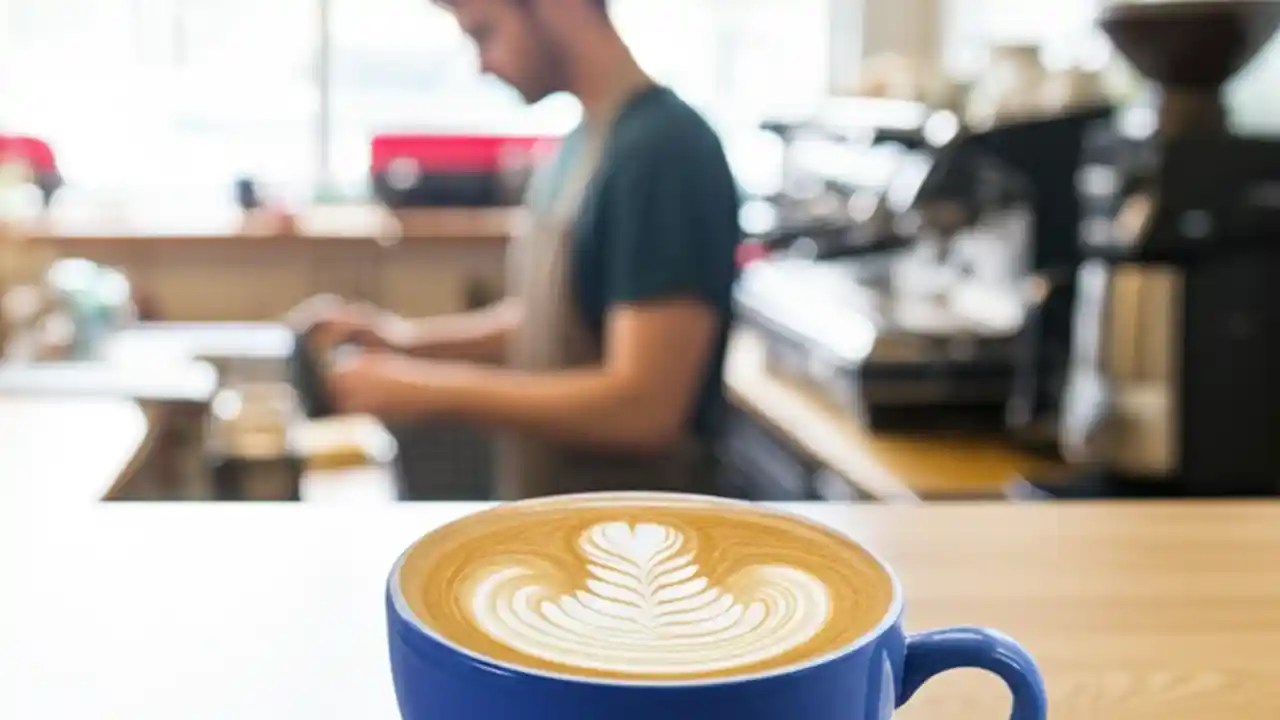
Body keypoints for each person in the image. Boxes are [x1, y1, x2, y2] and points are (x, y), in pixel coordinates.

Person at [308, 0, 740, 499]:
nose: (481, 64)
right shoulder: (582, 142)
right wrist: (405, 341)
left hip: (638, 522)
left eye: (484, 33)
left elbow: (644, 408)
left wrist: (427, 390)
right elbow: (555, 322)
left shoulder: (665, 152)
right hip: (563, 509)